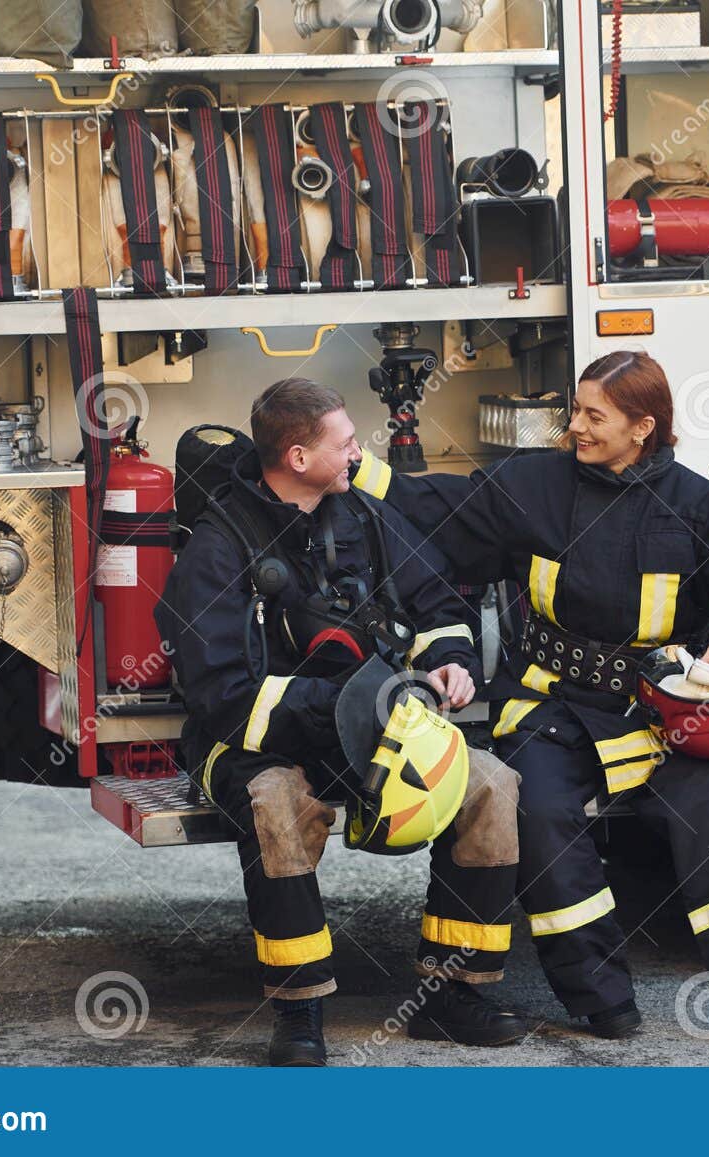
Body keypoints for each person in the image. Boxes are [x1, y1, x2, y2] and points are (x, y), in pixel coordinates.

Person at [352, 351, 709, 1052]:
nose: (574, 426)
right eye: (575, 410)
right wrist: (351, 467)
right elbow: (438, 509)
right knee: (538, 811)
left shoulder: (697, 504)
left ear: (643, 427)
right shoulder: (532, 484)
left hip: (662, 716)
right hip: (547, 704)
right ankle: (599, 995)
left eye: (592, 415)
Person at [155, 378, 530, 1067]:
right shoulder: (218, 546)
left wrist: (447, 659)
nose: (361, 448)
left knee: (491, 784)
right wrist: (338, 714)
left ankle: (453, 993)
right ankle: (299, 1009)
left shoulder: (360, 512)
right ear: (297, 457)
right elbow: (223, 695)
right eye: (345, 440)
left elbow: (434, 598)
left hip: (377, 726)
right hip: (260, 739)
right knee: (277, 800)